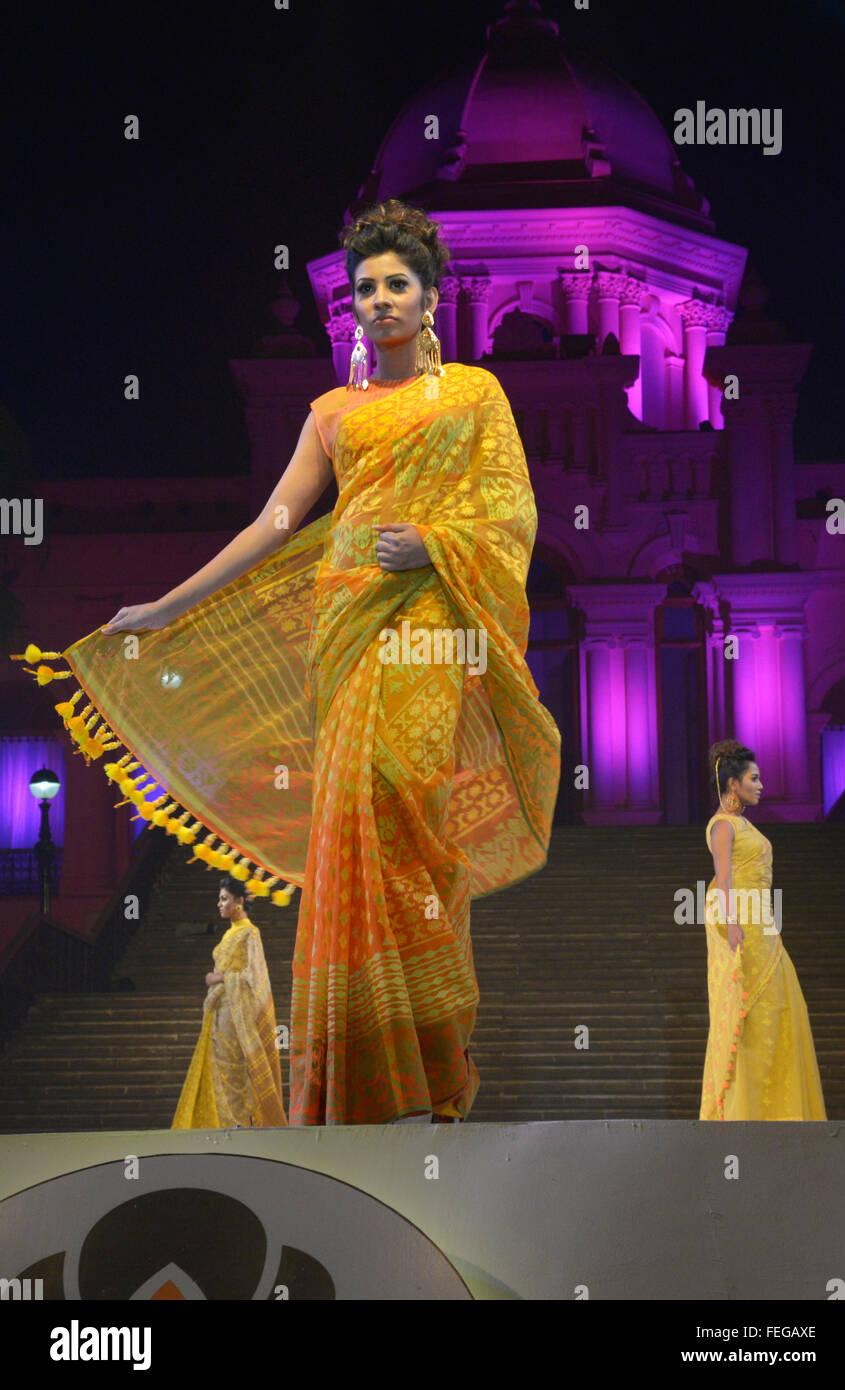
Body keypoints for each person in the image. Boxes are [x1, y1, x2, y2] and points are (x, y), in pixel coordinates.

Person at [13, 198, 561, 1125]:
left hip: (429, 627)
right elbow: (272, 525)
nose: (379, 299)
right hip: (344, 626)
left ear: (431, 299)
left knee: (407, 808)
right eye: (364, 289)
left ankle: (430, 1052)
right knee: (347, 822)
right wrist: (165, 605)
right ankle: (358, 1075)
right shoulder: (331, 412)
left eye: (398, 284)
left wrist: (432, 541)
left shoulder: (473, 394)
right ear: (350, 309)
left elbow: (514, 513)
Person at [700, 738, 826, 1120]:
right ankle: (743, 1112)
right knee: (753, 1016)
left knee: (780, 1012)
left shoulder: (741, 824)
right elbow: (723, 879)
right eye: (753, 778)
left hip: (764, 928)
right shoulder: (723, 825)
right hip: (746, 930)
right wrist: (734, 925)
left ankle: (778, 1109)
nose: (761, 785)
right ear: (733, 784)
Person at [172, 877, 287, 1129]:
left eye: (224, 899)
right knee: (220, 1070)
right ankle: (222, 1125)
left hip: (237, 1015)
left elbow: (254, 976)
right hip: (219, 1011)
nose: (219, 904)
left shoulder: (250, 933)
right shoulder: (227, 935)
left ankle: (239, 1126)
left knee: (234, 1071)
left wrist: (221, 977)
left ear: (239, 902)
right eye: (220, 899)